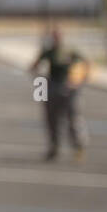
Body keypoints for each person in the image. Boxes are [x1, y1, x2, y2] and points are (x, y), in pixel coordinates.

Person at [29, 26, 89, 162]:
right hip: (52, 87)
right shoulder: (48, 51)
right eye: (54, 36)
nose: (55, 39)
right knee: (51, 120)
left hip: (68, 88)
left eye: (57, 36)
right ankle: (53, 147)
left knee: (73, 119)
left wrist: (78, 81)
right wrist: (40, 84)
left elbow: (85, 64)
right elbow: (34, 67)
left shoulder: (69, 51)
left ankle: (79, 147)